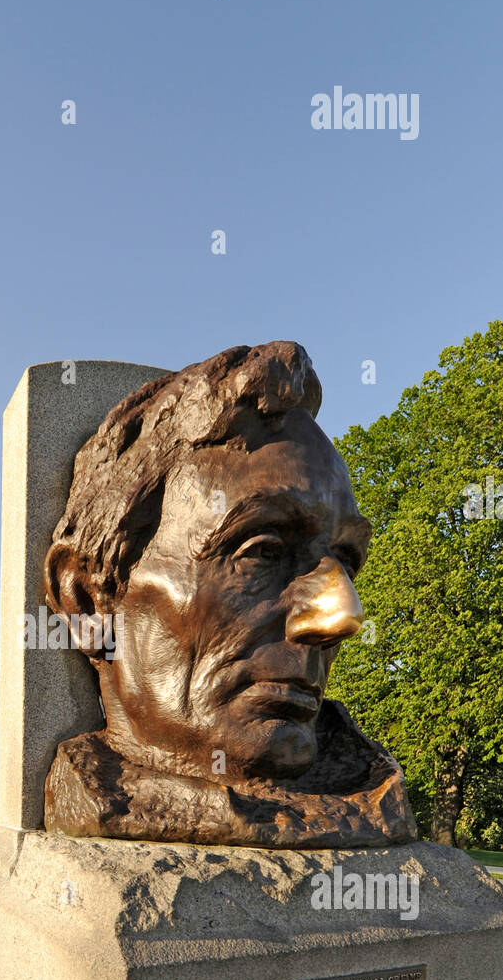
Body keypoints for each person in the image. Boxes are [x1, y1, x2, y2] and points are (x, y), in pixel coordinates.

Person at [42, 340, 416, 847]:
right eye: (262, 551)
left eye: (346, 561)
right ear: (87, 601)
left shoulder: (375, 793)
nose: (341, 614)